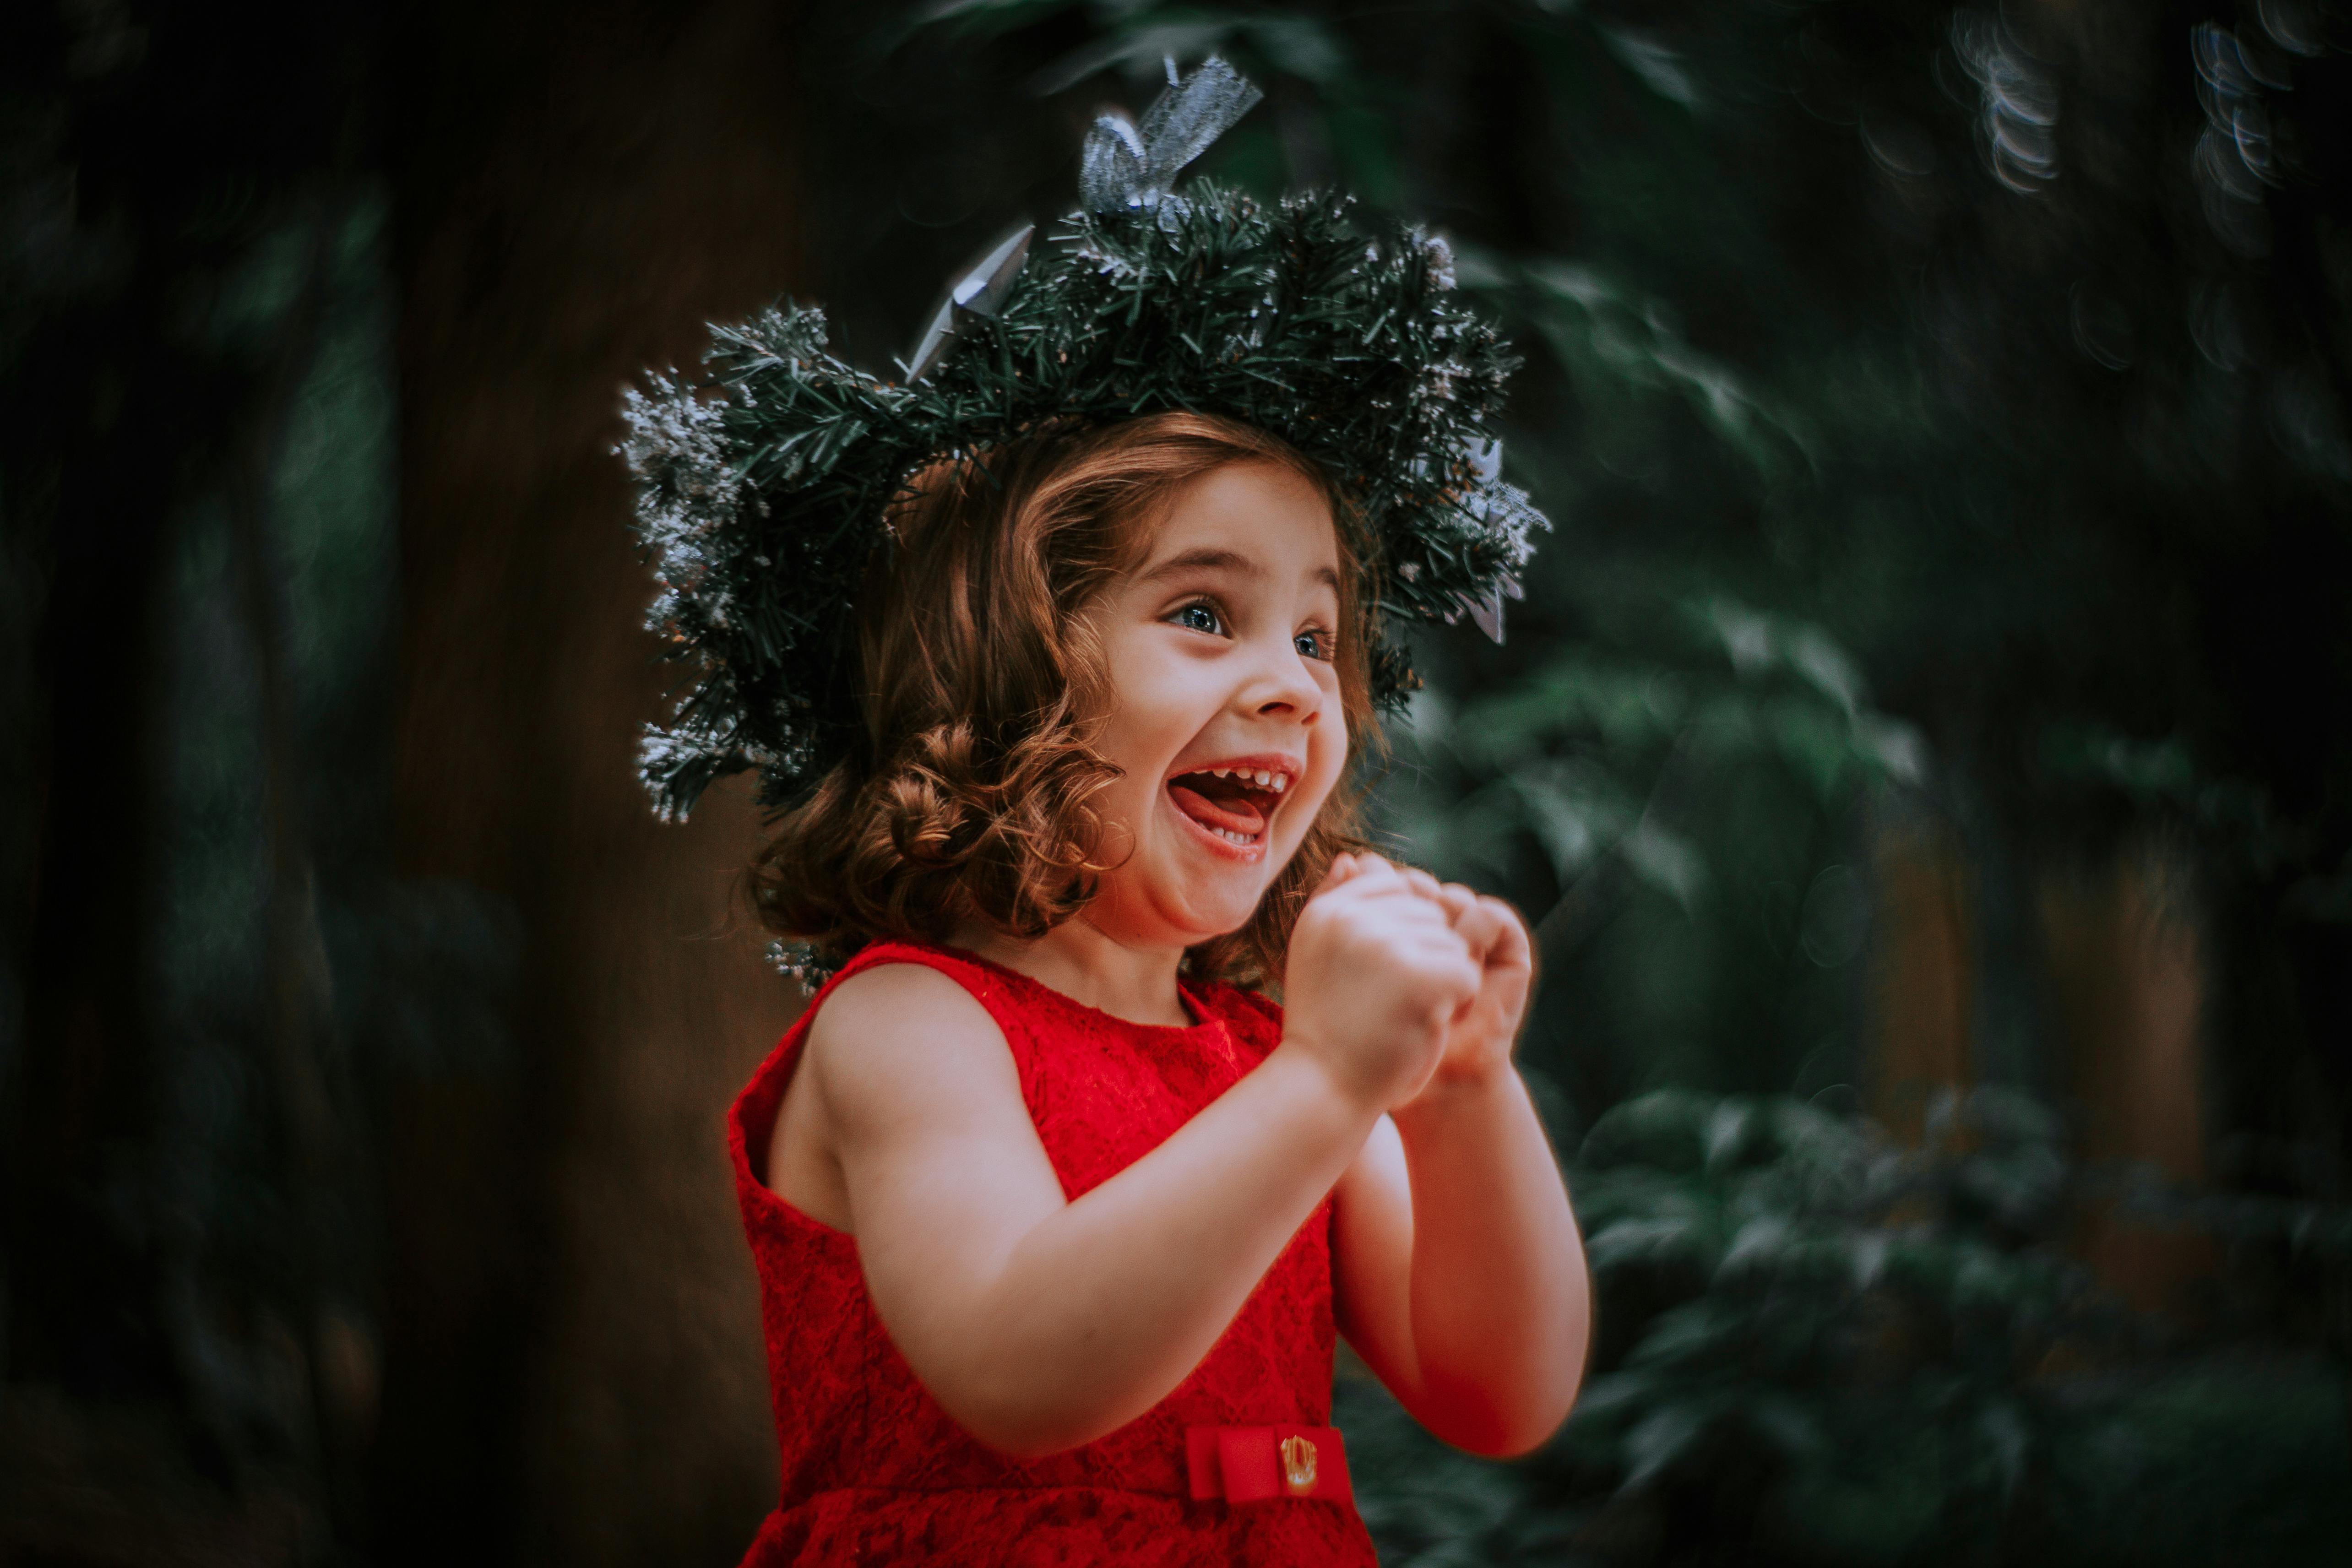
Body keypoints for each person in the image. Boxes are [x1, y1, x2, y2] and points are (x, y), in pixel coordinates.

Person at [624, 60, 1589, 1568]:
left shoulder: (1263, 1051)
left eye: (1317, 635)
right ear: (1000, 672)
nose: (1292, 686)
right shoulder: (912, 1026)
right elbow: (1021, 1366)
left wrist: (1461, 1089)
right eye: (1203, 612)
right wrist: (1330, 1078)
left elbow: (1500, 1390)